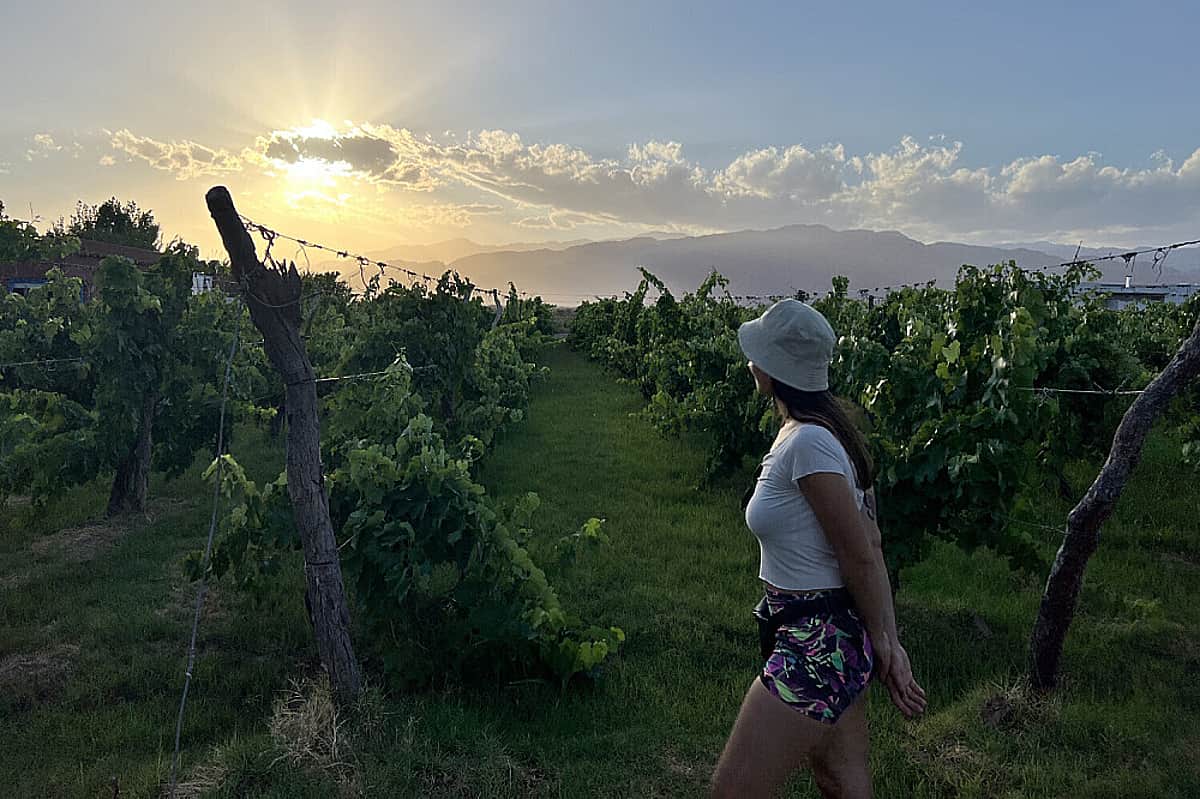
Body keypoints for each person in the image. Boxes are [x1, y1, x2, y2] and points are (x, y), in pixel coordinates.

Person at [711, 299, 926, 799]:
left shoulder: (810, 444)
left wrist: (887, 644)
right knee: (840, 782)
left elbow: (861, 553)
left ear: (773, 369)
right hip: (820, 632)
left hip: (819, 641)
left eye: (757, 352)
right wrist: (881, 641)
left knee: (731, 792)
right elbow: (869, 541)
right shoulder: (815, 435)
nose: (749, 361)